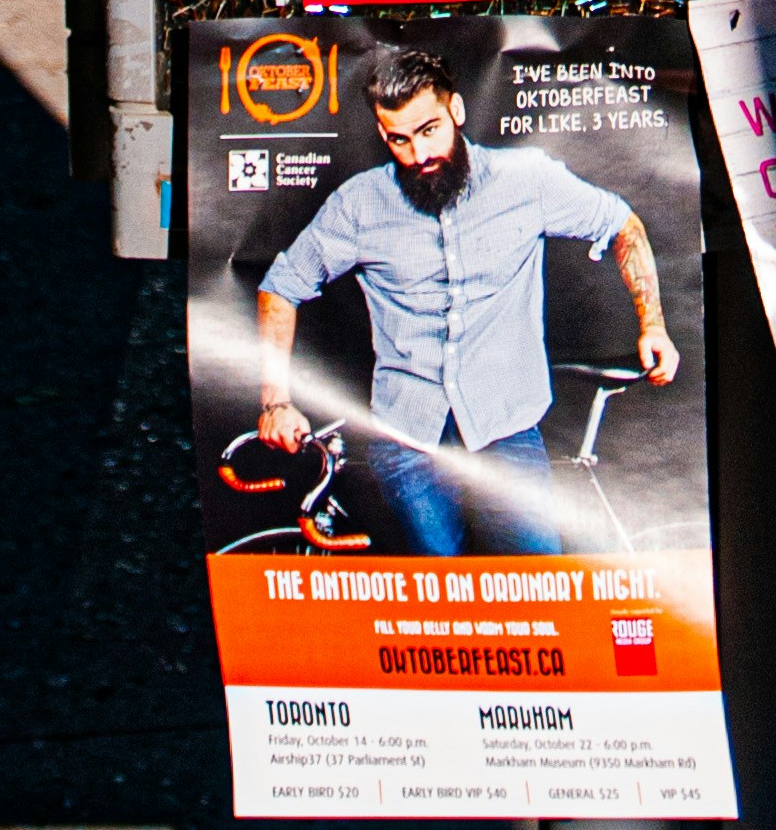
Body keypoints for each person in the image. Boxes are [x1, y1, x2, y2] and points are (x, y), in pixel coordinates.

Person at [253, 43, 677, 558]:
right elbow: (282, 286)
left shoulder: (526, 180)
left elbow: (622, 225)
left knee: (537, 585)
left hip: (505, 426)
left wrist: (653, 324)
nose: (418, 155)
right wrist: (275, 401)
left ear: (455, 110)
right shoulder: (359, 205)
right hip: (407, 438)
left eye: (428, 130)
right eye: (399, 139)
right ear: (383, 134)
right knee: (437, 591)